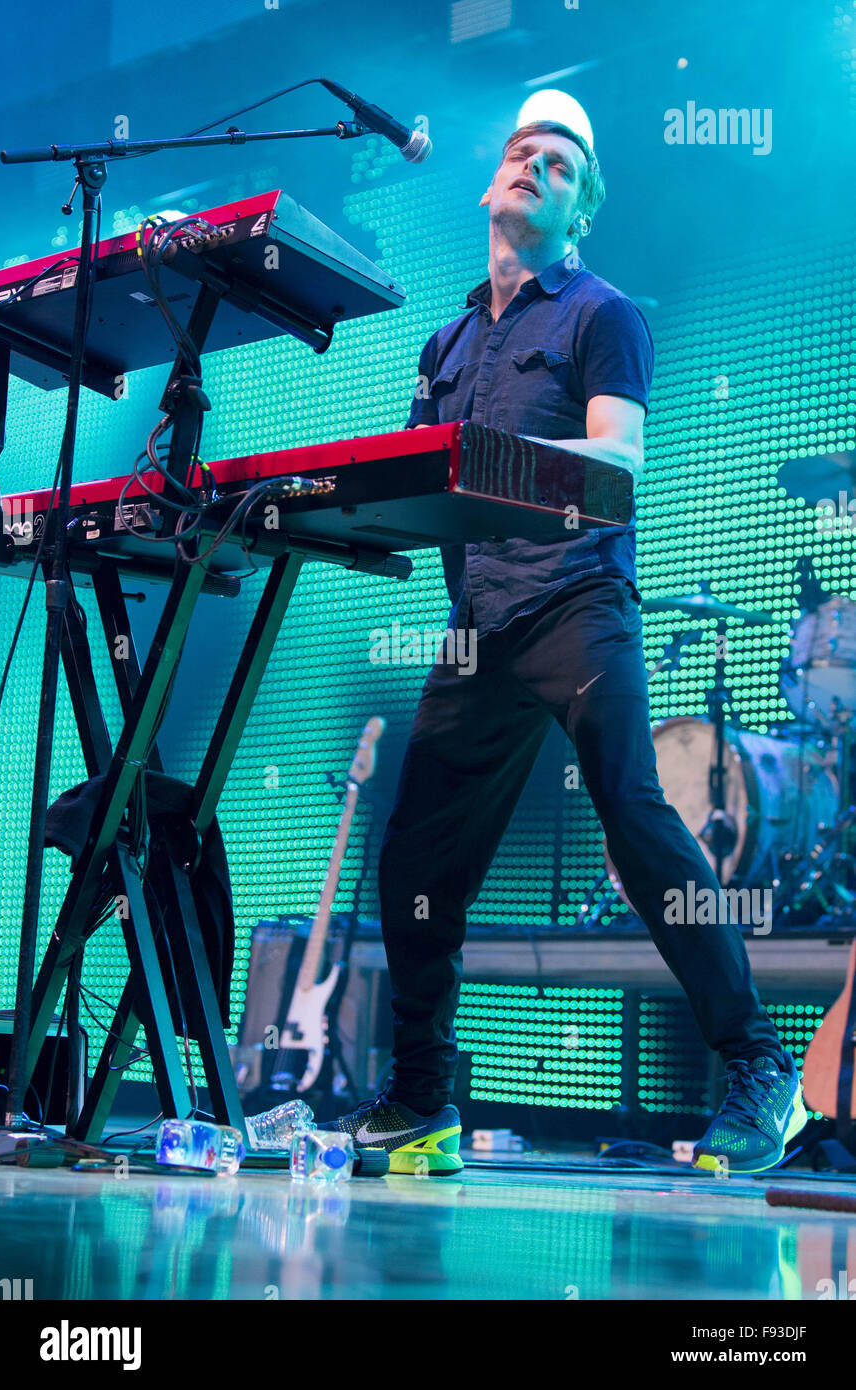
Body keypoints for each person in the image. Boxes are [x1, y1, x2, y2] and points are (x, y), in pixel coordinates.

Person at [321, 120, 807, 1176]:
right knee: (413, 856)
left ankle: (759, 1070)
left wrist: (483, 459)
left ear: (580, 210)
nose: (531, 165)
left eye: (560, 162)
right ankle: (420, 1096)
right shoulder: (442, 346)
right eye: (520, 150)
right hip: (476, 626)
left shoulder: (603, 313)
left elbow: (616, 460)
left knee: (634, 814)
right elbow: (421, 480)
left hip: (575, 601)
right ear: (487, 184)